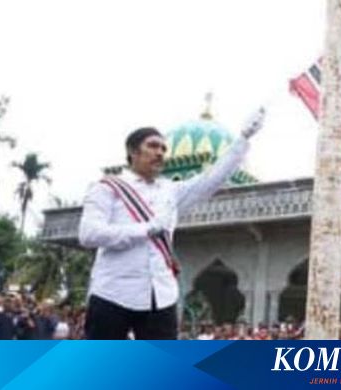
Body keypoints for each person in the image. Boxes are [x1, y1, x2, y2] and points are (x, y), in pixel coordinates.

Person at [78, 108, 265, 340]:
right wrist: (146, 229)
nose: (160, 153)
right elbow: (88, 234)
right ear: (133, 152)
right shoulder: (107, 188)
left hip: (160, 295)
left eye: (164, 148)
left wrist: (243, 139)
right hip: (113, 293)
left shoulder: (170, 191)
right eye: (153, 146)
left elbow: (211, 179)